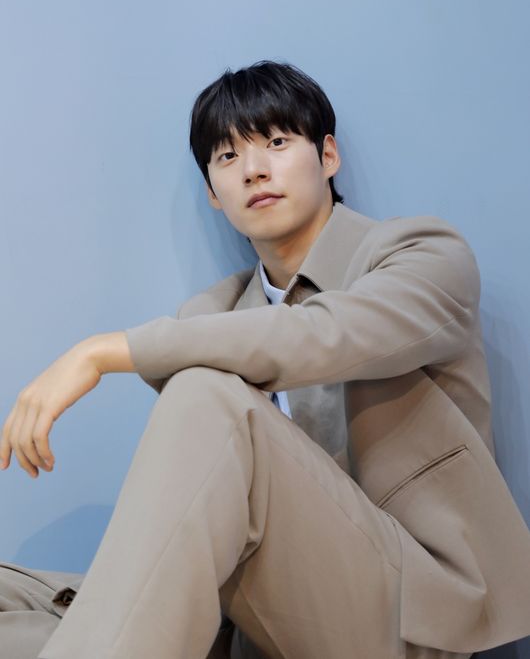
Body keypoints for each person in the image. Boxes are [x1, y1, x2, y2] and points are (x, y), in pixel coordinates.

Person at [1, 60, 530, 659]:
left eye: (277, 143)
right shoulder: (213, 313)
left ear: (327, 156)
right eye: (228, 157)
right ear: (212, 192)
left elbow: (324, 334)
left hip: (412, 618)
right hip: (255, 621)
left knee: (205, 391)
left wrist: (102, 352)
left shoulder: (424, 258)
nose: (254, 169)